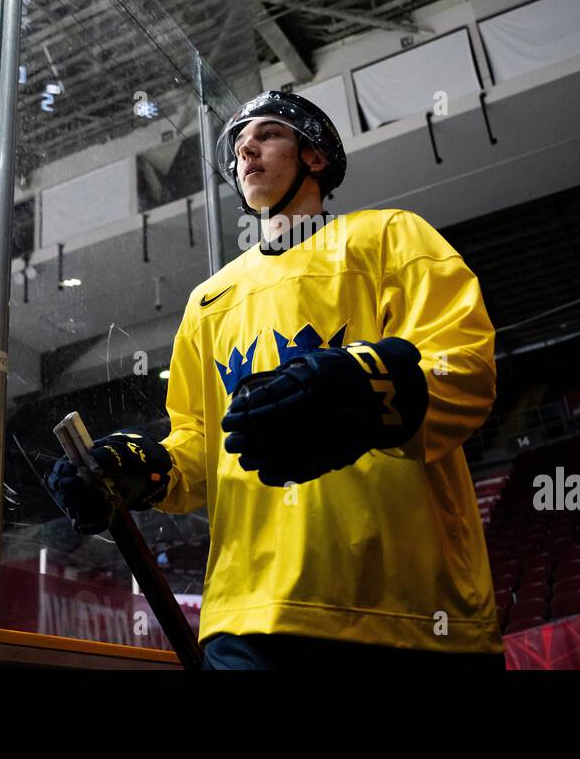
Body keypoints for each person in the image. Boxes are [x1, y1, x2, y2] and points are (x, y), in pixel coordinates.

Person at [47, 90, 503, 669]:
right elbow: (201, 444)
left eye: (267, 134)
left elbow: (462, 368)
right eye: (239, 144)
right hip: (248, 616)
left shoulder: (390, 237)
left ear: (314, 157)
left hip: (408, 608)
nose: (246, 149)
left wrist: (363, 386)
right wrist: (142, 470)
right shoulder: (208, 301)